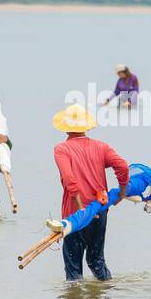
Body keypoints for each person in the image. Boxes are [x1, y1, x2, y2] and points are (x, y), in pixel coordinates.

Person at [48, 104, 129, 281]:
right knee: (96, 261)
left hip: (75, 216)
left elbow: (69, 179)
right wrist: (122, 192)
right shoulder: (101, 147)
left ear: (65, 127)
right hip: (100, 210)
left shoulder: (62, 149)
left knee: (73, 268)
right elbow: (122, 166)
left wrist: (80, 207)